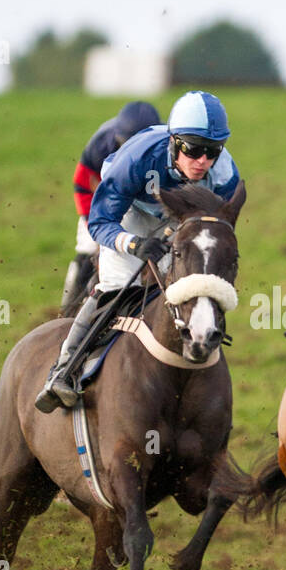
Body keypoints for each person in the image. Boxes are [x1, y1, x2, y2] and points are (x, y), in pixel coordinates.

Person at [35, 90, 241, 412]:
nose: (203, 161)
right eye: (193, 149)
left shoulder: (225, 175)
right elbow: (100, 223)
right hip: (130, 211)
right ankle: (63, 370)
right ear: (173, 141)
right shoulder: (136, 159)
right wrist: (134, 244)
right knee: (116, 289)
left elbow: (221, 233)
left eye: (213, 151)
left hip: (180, 220)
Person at [61, 100, 162, 313]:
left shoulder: (165, 145)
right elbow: (83, 185)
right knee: (88, 250)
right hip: (107, 201)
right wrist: (94, 224)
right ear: (118, 139)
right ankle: (69, 309)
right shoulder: (99, 148)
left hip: (147, 206)